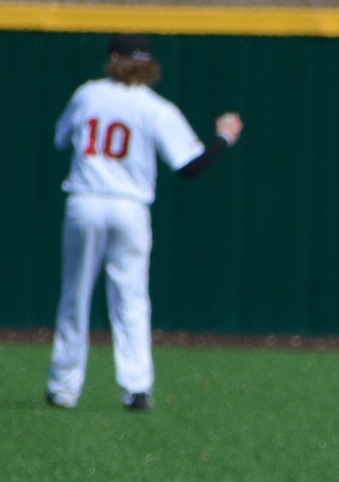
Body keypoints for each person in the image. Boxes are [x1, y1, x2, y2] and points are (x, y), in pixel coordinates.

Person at [46, 34, 242, 411]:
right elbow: (191, 167)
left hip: (85, 201)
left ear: (113, 58)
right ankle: (136, 388)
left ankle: (64, 387)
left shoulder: (88, 94)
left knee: (75, 294)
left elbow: (60, 140)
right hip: (130, 207)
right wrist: (224, 138)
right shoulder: (156, 107)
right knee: (131, 297)